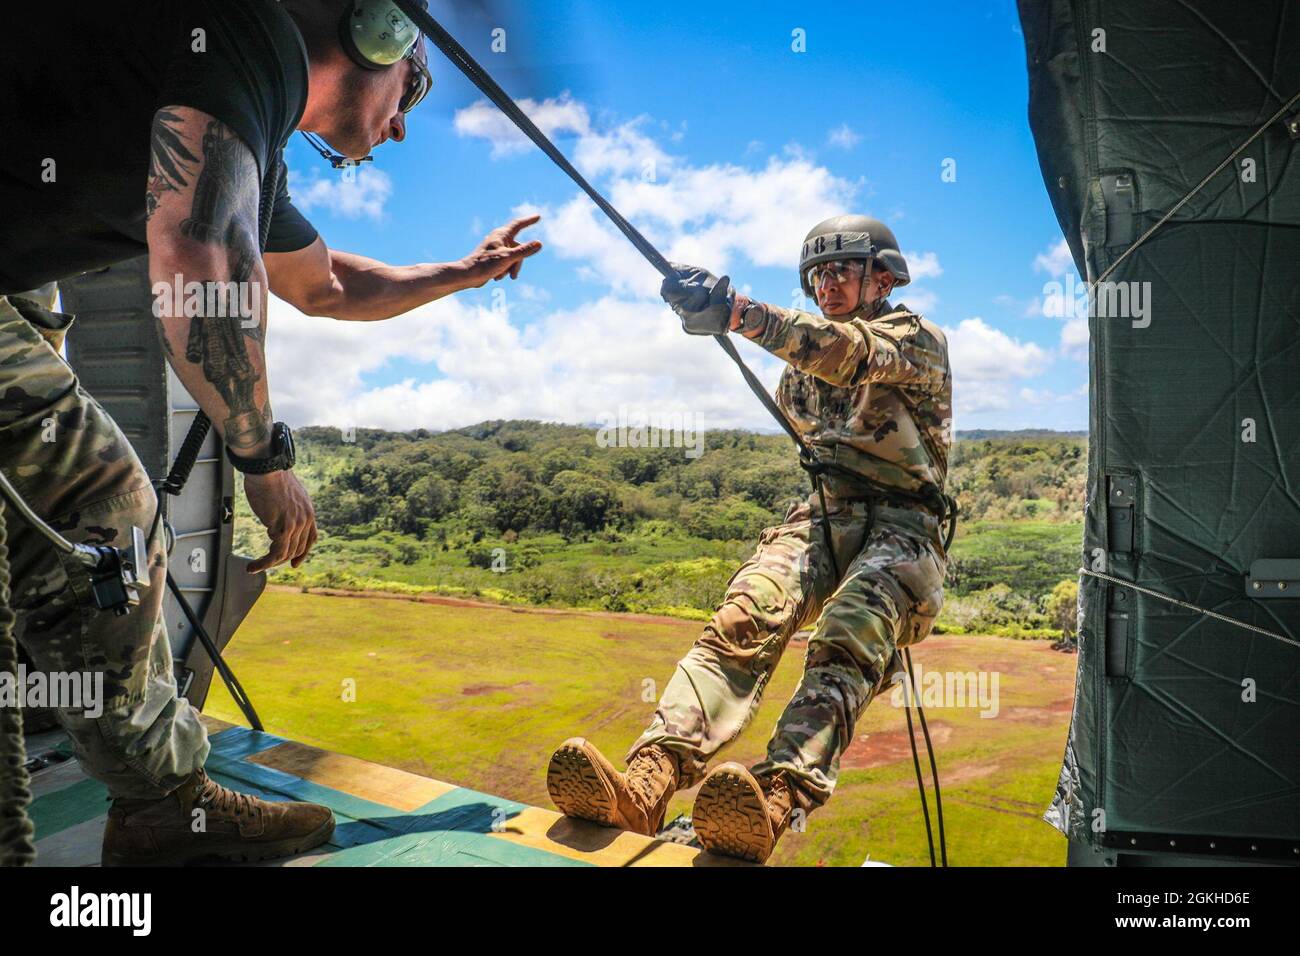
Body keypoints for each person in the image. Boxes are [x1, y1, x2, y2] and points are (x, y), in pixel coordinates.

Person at [0, 0, 541, 866]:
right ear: (377, 31)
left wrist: (466, 274)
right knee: (98, 498)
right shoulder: (249, 38)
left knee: (75, 507)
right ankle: (161, 808)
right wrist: (259, 458)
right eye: (415, 89)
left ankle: (156, 801)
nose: (402, 128)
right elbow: (200, 254)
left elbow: (325, 284)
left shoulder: (242, 114)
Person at [545, 216, 952, 863]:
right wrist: (729, 319)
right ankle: (650, 779)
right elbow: (814, 366)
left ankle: (776, 798)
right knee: (745, 616)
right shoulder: (799, 377)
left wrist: (735, 312)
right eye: (818, 274)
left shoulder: (916, 341)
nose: (827, 284)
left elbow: (846, 354)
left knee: (849, 632)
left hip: (904, 526)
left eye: (840, 270)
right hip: (825, 515)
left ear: (882, 277)